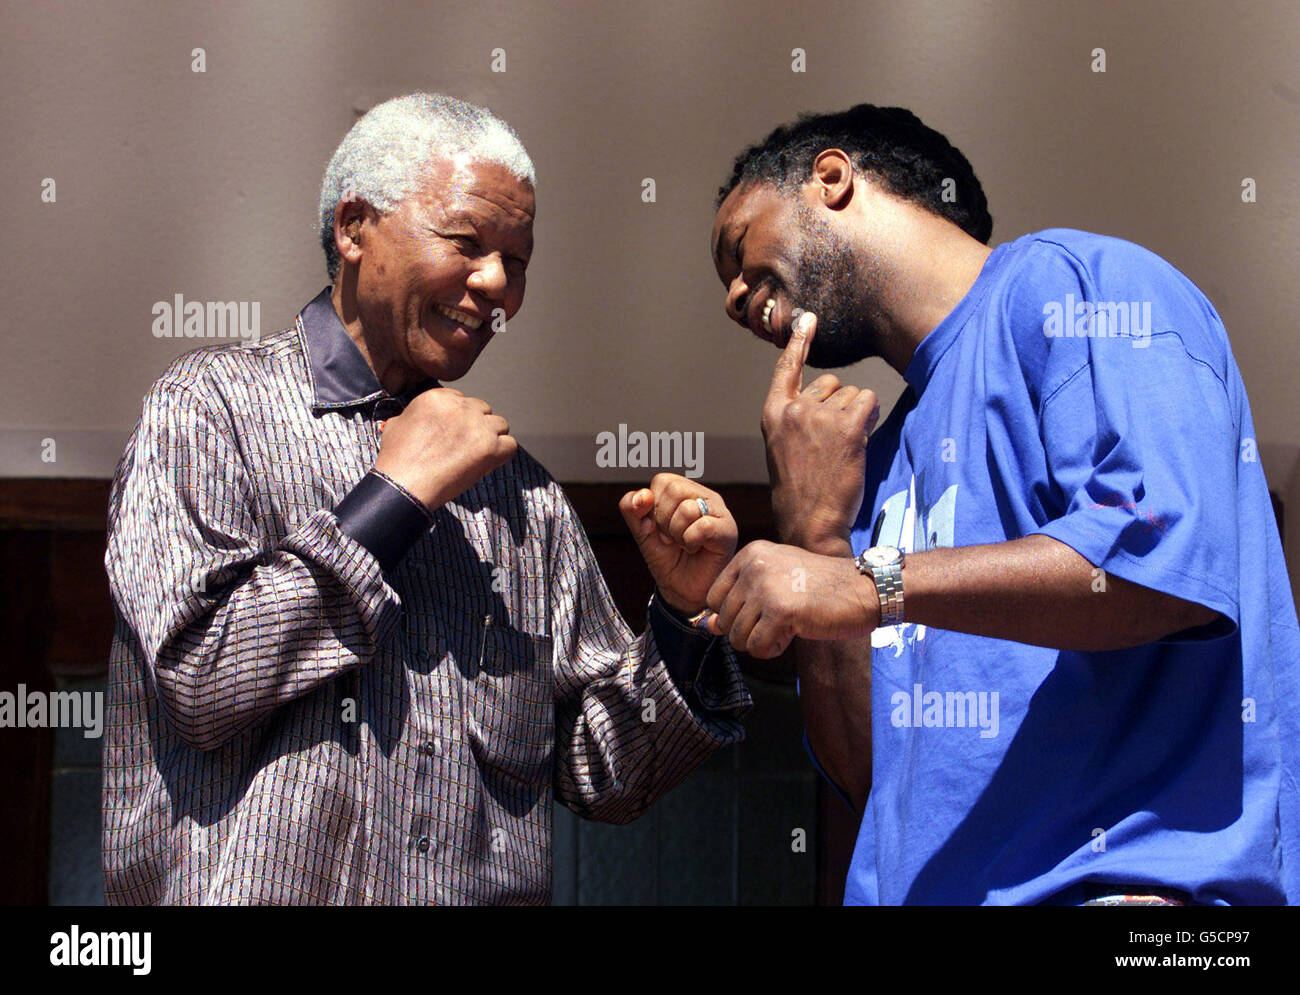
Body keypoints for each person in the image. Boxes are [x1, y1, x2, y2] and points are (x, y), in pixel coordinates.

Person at [102, 92, 749, 905]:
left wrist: (685, 622)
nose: (498, 287)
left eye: (518, 260)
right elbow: (199, 683)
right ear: (353, 229)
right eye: (467, 243)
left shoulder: (521, 495)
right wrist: (391, 499)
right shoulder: (208, 411)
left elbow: (606, 773)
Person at [703, 103, 1300, 905]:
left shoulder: (1077, 285)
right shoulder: (867, 468)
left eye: (739, 251)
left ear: (832, 179)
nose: (736, 300)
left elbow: (1161, 562)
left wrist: (865, 584)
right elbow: (870, 775)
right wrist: (819, 536)